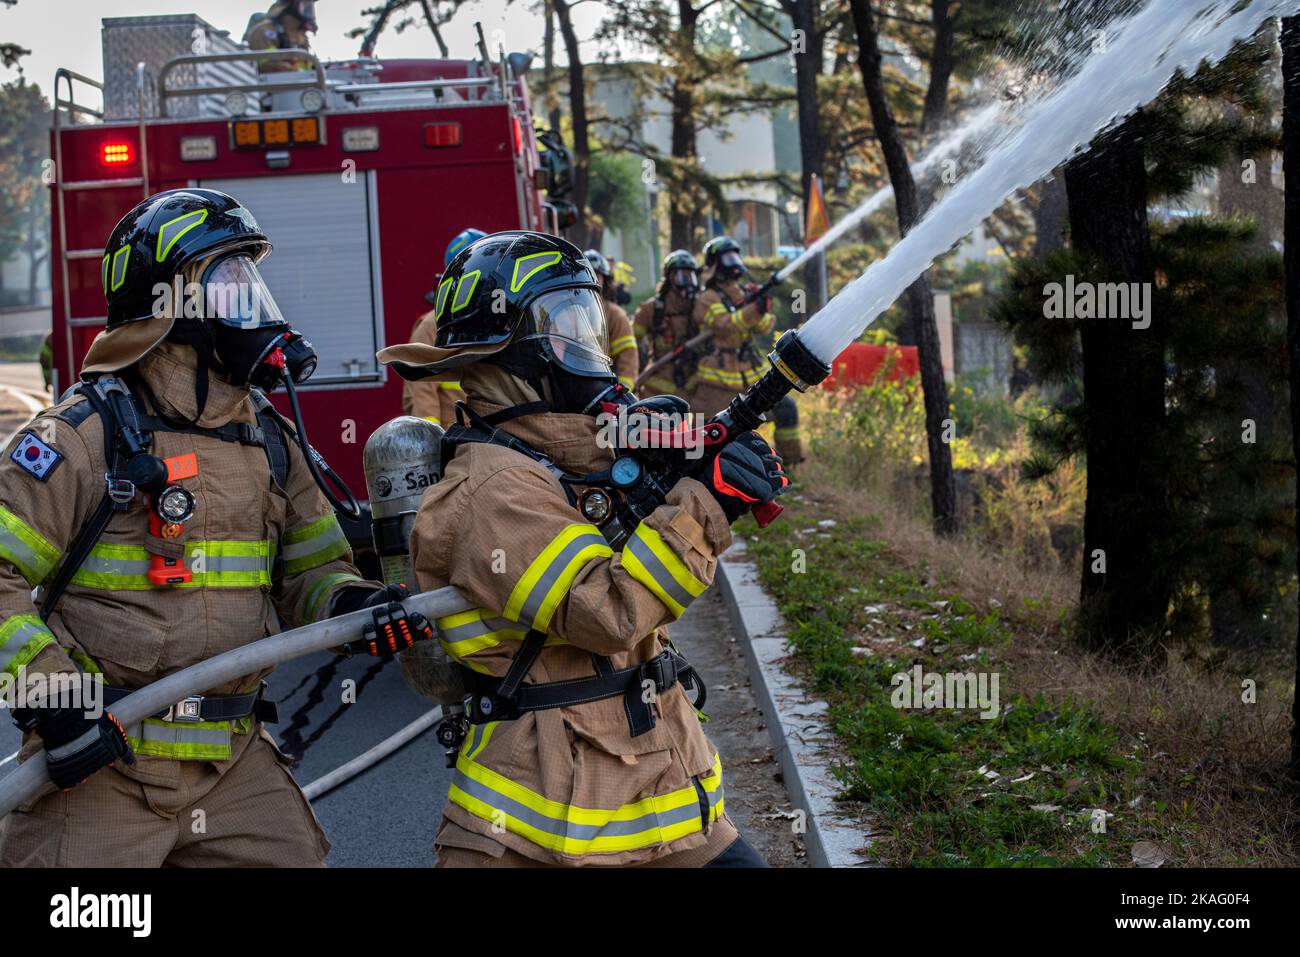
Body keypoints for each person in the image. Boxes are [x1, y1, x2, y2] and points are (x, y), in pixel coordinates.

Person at [0, 188, 431, 867]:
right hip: (105, 764)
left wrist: (354, 606)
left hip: (231, 764)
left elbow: (313, 574)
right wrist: (52, 696)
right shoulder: (83, 439)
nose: (252, 302)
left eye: (249, 280)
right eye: (229, 283)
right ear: (171, 309)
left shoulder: (267, 436)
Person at [379, 230, 789, 867]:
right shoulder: (491, 488)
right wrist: (709, 504)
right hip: (537, 824)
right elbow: (609, 613)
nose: (584, 347)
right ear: (513, 352)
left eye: (585, 322)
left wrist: (685, 461)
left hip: (655, 790)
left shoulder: (560, 458)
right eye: (565, 326)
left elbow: (621, 517)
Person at [691, 236, 804, 465]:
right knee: (718, 435)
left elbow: (764, 326)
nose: (732, 262)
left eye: (735, 256)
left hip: (747, 374)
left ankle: (789, 464)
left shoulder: (741, 294)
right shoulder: (707, 298)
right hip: (717, 382)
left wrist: (762, 308)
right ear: (715, 264)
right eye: (726, 257)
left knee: (786, 408)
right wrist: (753, 309)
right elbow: (726, 325)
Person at [402, 228, 484, 427]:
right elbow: (421, 393)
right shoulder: (433, 326)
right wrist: (434, 442)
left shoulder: (502, 319)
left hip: (497, 436)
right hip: (457, 439)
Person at [633, 249, 701, 400]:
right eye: (683, 276)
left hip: (692, 381)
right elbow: (632, 347)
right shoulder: (651, 309)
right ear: (670, 277)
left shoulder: (698, 307)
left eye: (691, 276)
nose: (689, 282)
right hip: (657, 383)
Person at [583, 249, 639, 392]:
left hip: (604, 389)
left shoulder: (616, 315)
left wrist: (621, 393)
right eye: (585, 274)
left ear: (605, 281)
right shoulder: (565, 312)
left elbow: (628, 361)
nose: (590, 279)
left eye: (596, 275)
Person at [244, 0, 318, 73]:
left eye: (310, 5)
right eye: (305, 3)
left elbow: (306, 68)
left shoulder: (301, 38)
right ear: (290, 6)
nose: (309, 9)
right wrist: (298, 72)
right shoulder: (265, 30)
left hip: (301, 83)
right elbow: (267, 63)